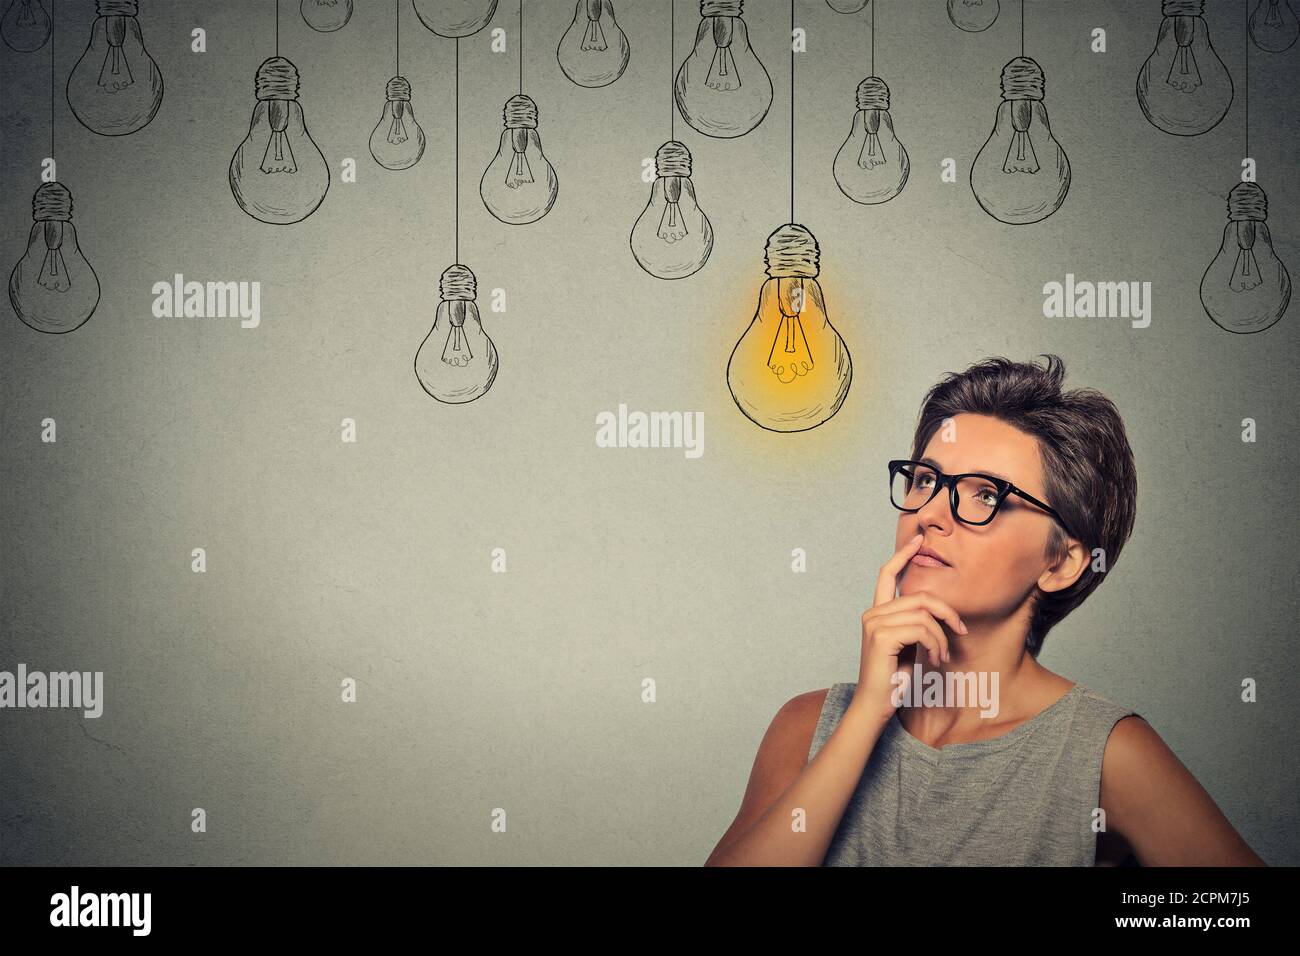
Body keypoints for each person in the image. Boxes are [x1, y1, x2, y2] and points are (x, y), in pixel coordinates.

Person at [705, 354, 1265, 866]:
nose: (929, 514)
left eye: (986, 496)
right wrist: (865, 717)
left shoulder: (1103, 752)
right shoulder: (807, 727)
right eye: (926, 480)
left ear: (1062, 562)